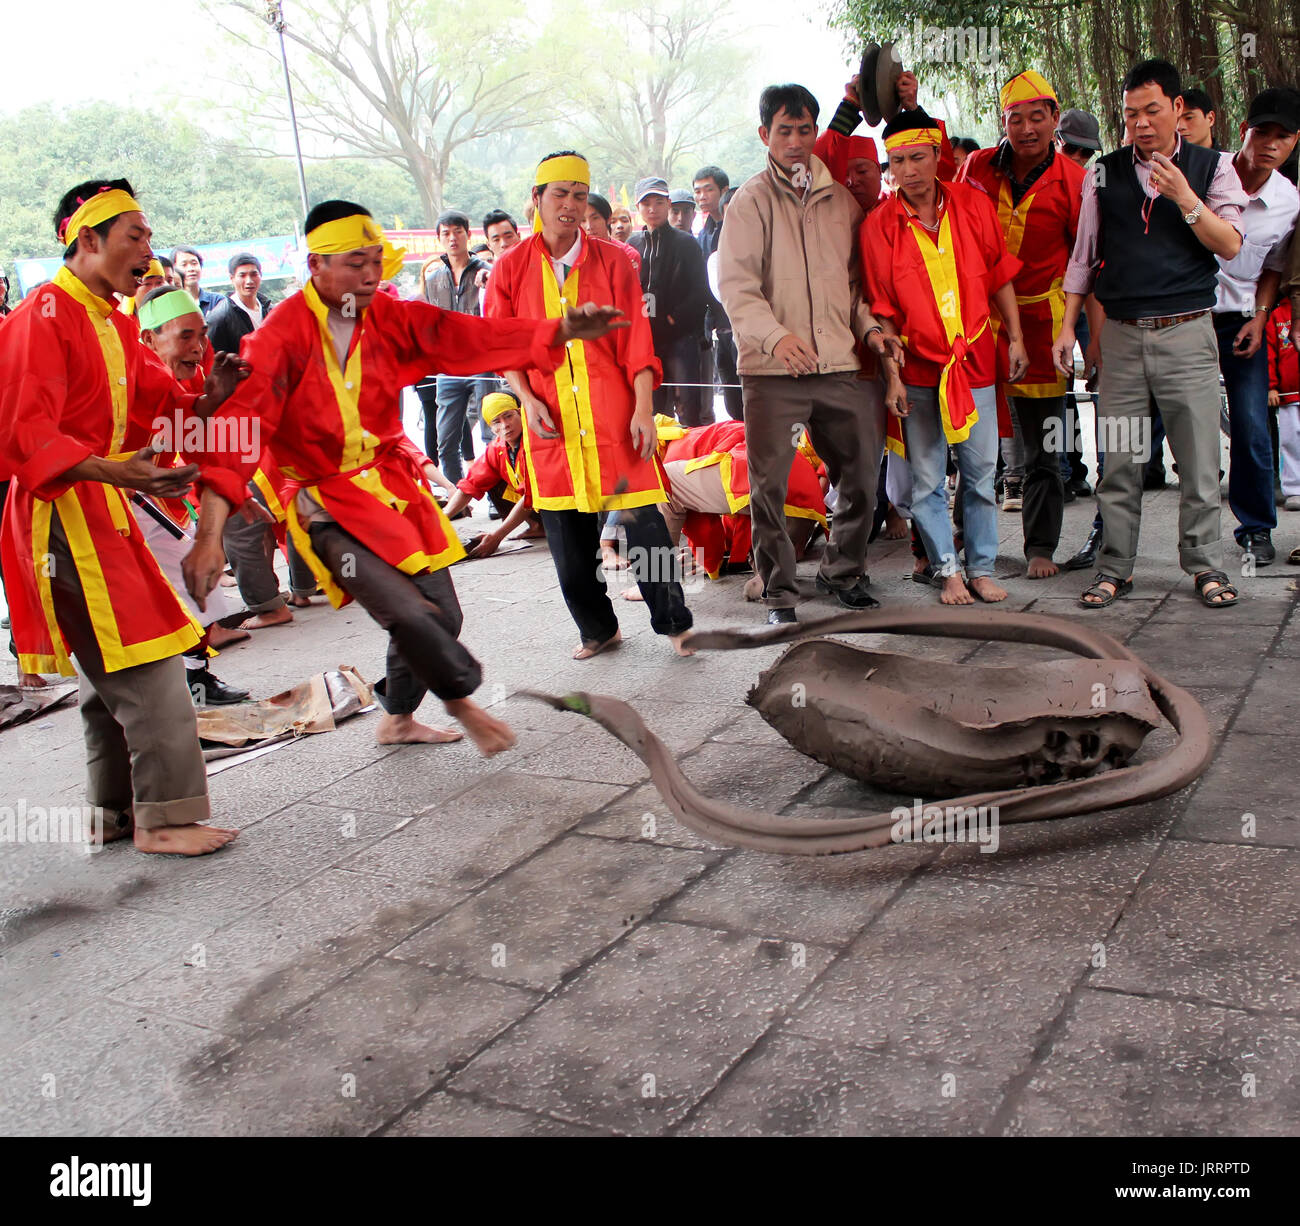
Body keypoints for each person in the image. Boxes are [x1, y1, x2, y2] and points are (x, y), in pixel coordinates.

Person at [184, 198, 630, 749]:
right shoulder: (280, 338)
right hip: (322, 504)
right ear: (316, 266)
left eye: (376, 260)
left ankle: (397, 716)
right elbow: (239, 432)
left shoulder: (389, 316)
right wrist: (209, 541)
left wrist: (556, 330)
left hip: (391, 490)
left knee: (441, 611)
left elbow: (464, 336)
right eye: (356, 263)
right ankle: (462, 702)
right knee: (409, 611)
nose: (371, 275)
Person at [0, 178, 250, 856]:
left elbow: (163, 409)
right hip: (60, 520)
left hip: (99, 508)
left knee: (105, 671)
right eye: (134, 236)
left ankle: (112, 815)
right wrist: (120, 470)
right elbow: (24, 436)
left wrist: (211, 399)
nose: (148, 249)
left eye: (148, 237)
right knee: (147, 663)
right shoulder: (41, 317)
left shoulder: (111, 322)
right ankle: (164, 820)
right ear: (88, 240)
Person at [1052, 58, 1247, 609]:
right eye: (1131, 113)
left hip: (1187, 335)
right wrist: (1069, 326)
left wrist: (1184, 195)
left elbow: (1230, 244)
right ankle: (1115, 568)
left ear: (1178, 109)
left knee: (1200, 462)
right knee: (1121, 461)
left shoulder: (1213, 168)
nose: (1141, 123)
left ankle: (1206, 567)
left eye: (1152, 110)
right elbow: (1083, 258)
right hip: (1122, 336)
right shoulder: (1103, 172)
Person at [485, 152, 694, 659]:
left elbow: (637, 340)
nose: (571, 205)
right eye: (560, 194)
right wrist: (527, 399)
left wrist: (643, 407)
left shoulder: (613, 260)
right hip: (551, 419)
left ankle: (675, 624)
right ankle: (598, 629)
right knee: (569, 543)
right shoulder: (510, 268)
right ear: (536, 200)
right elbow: (503, 342)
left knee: (645, 528)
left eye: (580, 195)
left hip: (615, 413)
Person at [719, 82, 896, 623]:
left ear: (816, 133)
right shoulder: (747, 202)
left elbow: (855, 286)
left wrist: (869, 331)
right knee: (769, 486)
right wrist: (776, 337)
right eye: (783, 131)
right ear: (764, 135)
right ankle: (778, 592)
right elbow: (737, 287)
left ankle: (841, 571)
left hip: (840, 365)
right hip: (772, 371)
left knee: (863, 475)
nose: (794, 141)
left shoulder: (842, 202)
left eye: (803, 130)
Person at [864, 108, 1027, 606]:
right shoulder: (878, 225)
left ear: (939, 155)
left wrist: (1016, 339)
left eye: (917, 157)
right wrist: (892, 378)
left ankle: (980, 566)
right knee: (928, 479)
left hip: (975, 359)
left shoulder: (973, 205)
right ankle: (947, 569)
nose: (908, 171)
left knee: (981, 474)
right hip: (916, 370)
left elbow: (1000, 277)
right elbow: (884, 311)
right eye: (897, 162)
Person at [958, 70, 1086, 579]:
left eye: (1038, 117)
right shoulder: (978, 166)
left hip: (1044, 324)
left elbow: (1085, 262)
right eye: (1016, 118)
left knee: (1044, 447)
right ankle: (964, 546)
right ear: (1002, 122)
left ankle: (1040, 547)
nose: (1027, 128)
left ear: (1055, 119)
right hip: (978, 322)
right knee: (972, 443)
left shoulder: (1075, 181)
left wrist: (1080, 338)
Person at [135, 286, 250, 705]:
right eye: (185, 336)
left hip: (156, 499)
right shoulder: (132, 369)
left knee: (194, 583)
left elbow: (185, 418)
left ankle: (195, 683)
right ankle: (176, 694)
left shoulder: (175, 374)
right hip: (117, 503)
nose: (198, 346)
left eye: (202, 335)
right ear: (148, 337)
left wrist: (214, 396)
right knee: (167, 592)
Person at [1208, 87, 1300, 566]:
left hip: (1246, 320)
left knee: (1249, 424)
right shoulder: (1206, 171)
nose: (1269, 143)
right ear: (1244, 131)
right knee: (1151, 424)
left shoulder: (1289, 202)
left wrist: (1260, 320)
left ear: (1294, 143)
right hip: (1190, 316)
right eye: (1261, 132)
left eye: (1282, 137)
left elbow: (1275, 270)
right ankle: (1113, 532)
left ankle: (1257, 529)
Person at [414, 211, 495, 482]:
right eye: (446, 233)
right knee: (445, 439)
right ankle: (457, 496)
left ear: (468, 234)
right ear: (439, 239)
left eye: (457, 231)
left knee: (491, 432)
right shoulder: (435, 278)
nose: (452, 238)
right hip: (448, 367)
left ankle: (500, 500)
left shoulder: (486, 272)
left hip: (482, 363)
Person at [628, 176, 712, 427]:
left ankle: (690, 460)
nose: (652, 209)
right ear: (638, 207)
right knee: (653, 408)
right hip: (645, 339)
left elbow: (700, 292)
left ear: (667, 204)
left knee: (687, 408)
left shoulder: (686, 243)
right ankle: (658, 463)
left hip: (681, 339)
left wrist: (674, 319)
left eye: (658, 202)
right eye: (646, 203)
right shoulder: (632, 244)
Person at [440, 390, 544, 541]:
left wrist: (497, 536)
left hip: (550, 505)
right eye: (496, 421)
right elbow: (471, 484)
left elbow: (532, 492)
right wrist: (441, 518)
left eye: (509, 416)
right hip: (531, 504)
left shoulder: (536, 441)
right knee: (488, 480)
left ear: (521, 414)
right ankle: (536, 526)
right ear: (491, 428)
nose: (505, 425)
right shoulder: (496, 448)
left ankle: (541, 525)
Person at [694, 164, 743, 420]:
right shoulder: (704, 234)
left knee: (751, 398)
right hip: (719, 327)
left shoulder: (743, 231)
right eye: (698, 191)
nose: (702, 196)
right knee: (732, 400)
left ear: (723, 190)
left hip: (745, 327)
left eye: (708, 190)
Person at [1266, 297, 1300, 513]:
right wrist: (1271, 386)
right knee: (1290, 441)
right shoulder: (1277, 315)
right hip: (1289, 394)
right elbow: (1269, 354)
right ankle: (1294, 488)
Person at [206, 251, 274, 356]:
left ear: (260, 276)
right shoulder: (220, 317)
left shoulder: (270, 310)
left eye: (254, 274)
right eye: (242, 275)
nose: (249, 281)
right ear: (232, 279)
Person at [582, 193, 641, 271]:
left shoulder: (627, 254)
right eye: (582, 220)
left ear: (608, 219)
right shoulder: (573, 254)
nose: (589, 226)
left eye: (595, 218)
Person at [170, 245, 223, 314]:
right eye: (184, 264)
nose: (191, 269)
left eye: (194, 263)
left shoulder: (217, 301)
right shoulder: (171, 306)